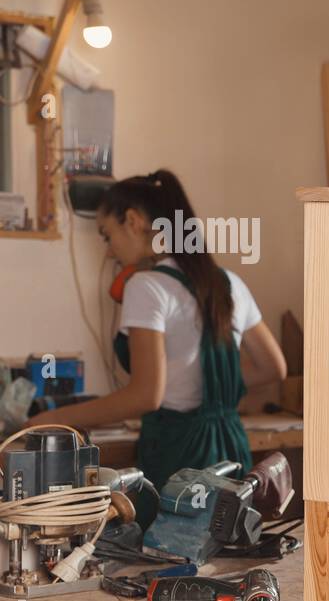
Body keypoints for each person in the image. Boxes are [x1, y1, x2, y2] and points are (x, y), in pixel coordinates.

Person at [25, 170, 286, 487]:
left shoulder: (146, 286)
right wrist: (209, 386)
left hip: (179, 455)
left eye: (107, 236)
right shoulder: (229, 282)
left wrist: (54, 419)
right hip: (232, 449)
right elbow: (273, 367)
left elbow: (145, 396)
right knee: (227, 529)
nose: (108, 251)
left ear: (133, 221)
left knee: (171, 533)